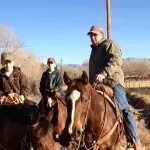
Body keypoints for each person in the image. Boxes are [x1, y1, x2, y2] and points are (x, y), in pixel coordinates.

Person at [87, 25, 142, 150]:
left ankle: (134, 140)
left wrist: (104, 73)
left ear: (101, 34)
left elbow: (116, 61)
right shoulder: (93, 50)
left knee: (124, 109)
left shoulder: (109, 44)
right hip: (97, 85)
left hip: (113, 82)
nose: (92, 37)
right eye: (91, 35)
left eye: (95, 35)